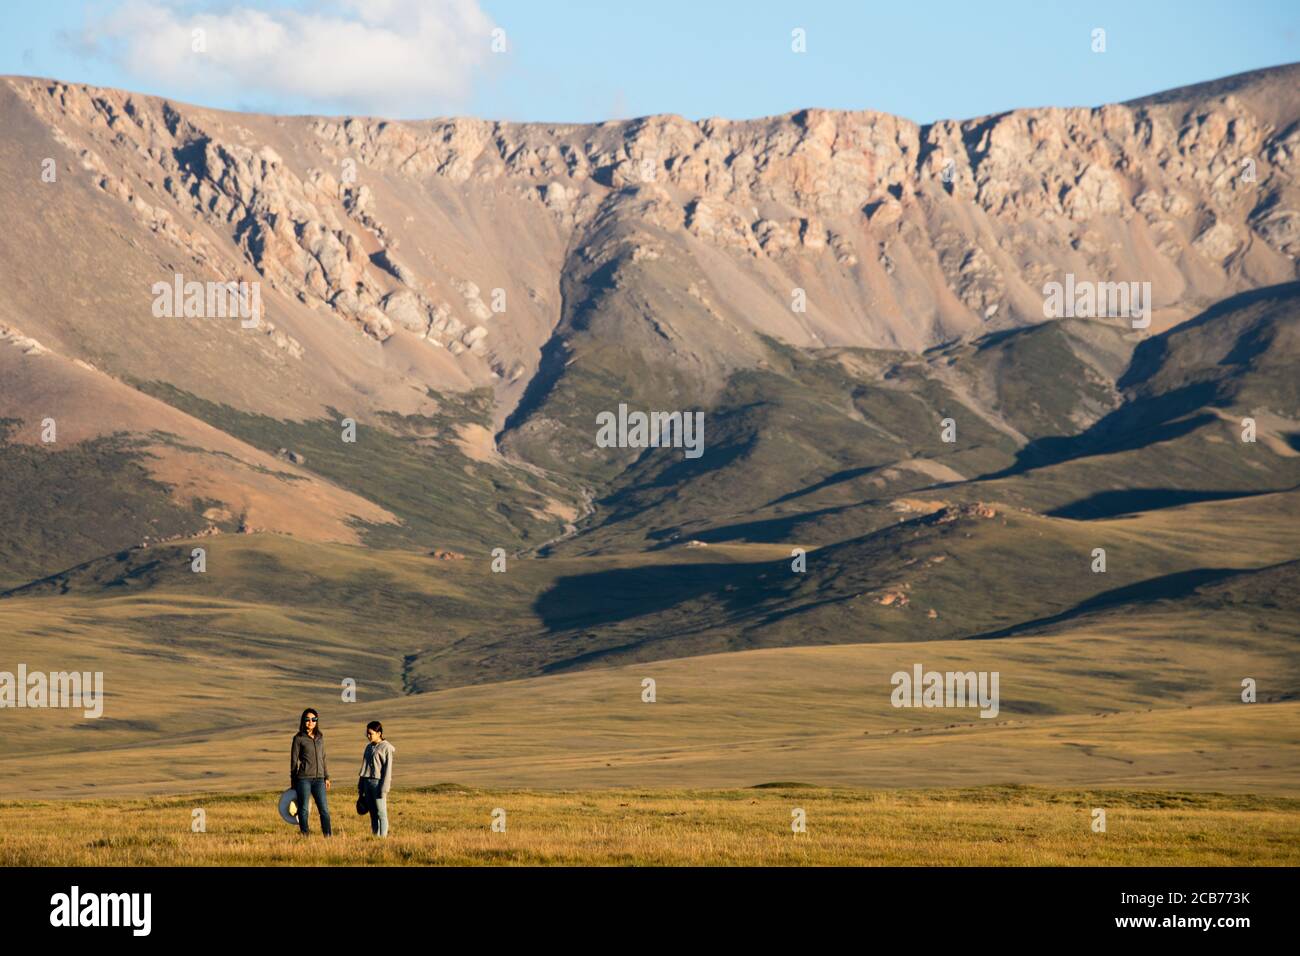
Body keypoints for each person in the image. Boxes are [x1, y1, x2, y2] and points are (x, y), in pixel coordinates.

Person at [289, 708, 331, 836]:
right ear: (303, 721)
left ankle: (328, 836)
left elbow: (323, 757)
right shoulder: (298, 738)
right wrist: (293, 781)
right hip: (304, 779)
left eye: (313, 719)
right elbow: (294, 761)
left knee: (324, 809)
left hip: (319, 779)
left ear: (317, 721)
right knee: (304, 809)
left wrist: (327, 777)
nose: (310, 722)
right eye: (307, 720)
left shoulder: (320, 737)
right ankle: (305, 835)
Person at [357, 720, 395, 837]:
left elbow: (387, 770)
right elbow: (364, 767)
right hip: (367, 783)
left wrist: (384, 788)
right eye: (367, 734)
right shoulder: (368, 747)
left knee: (381, 813)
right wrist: (361, 786)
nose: (368, 736)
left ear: (379, 733)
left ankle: (383, 839)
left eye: (371, 733)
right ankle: (375, 837)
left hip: (378, 784)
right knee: (373, 813)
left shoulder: (386, 747)